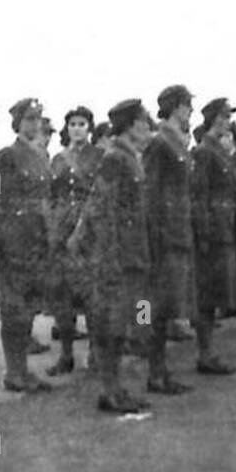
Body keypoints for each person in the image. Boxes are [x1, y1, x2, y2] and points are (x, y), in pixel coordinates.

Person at [73, 99, 155, 413]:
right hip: (116, 254)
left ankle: (117, 387)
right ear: (132, 125)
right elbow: (98, 204)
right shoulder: (115, 158)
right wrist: (107, 252)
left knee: (123, 326)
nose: (148, 128)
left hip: (131, 251)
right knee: (112, 325)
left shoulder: (131, 157)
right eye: (144, 122)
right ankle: (110, 390)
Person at [0, 98, 54, 394]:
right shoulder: (6, 156)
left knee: (29, 307)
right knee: (14, 310)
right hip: (14, 243)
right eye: (29, 119)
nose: (34, 124)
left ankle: (24, 369)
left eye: (38, 119)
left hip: (38, 240)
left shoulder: (42, 156)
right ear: (17, 123)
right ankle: (14, 372)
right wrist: (1, 240)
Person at [141, 85, 197, 394]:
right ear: (175, 106)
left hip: (176, 231)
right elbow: (150, 192)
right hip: (163, 236)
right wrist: (156, 234)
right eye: (187, 104)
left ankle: (161, 370)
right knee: (157, 307)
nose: (190, 110)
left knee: (167, 306)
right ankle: (155, 373)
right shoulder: (160, 142)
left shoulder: (176, 140)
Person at [45, 106, 102, 376]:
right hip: (61, 231)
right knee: (62, 298)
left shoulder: (100, 156)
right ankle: (66, 355)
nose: (77, 129)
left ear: (89, 128)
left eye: (82, 124)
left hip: (88, 232)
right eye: (72, 124)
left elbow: (100, 195)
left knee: (91, 296)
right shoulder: (58, 159)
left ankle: (95, 353)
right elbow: (51, 195)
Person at [190, 96, 236, 375]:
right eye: (225, 117)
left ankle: (209, 351)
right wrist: (204, 232)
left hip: (223, 226)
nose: (228, 122)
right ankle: (205, 352)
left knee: (217, 291)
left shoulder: (219, 151)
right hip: (211, 230)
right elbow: (199, 196)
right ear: (214, 119)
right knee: (207, 294)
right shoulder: (203, 152)